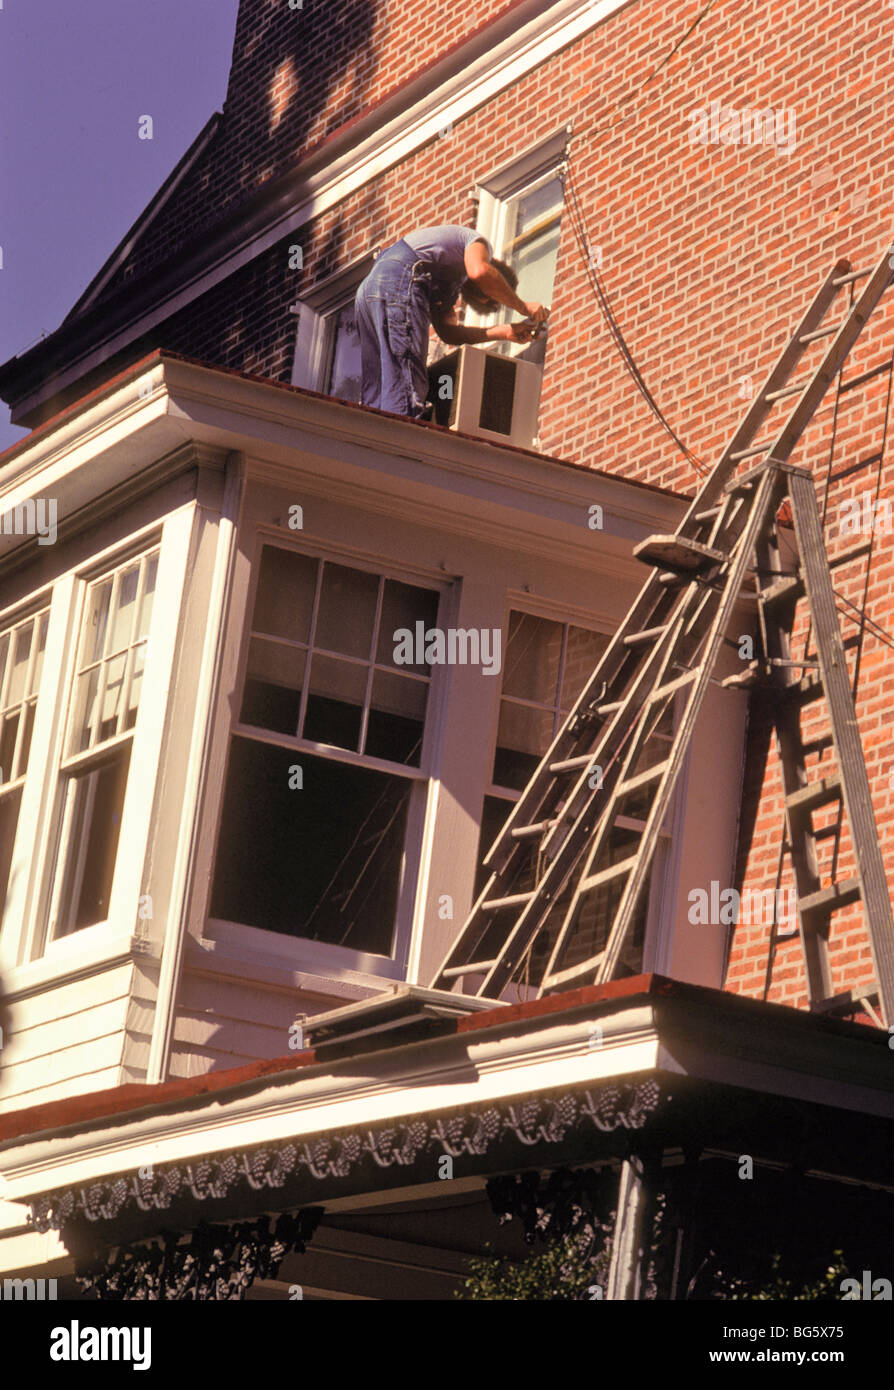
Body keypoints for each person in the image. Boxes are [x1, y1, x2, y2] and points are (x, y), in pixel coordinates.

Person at [354, 225, 549, 417]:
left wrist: (505, 332)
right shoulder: (477, 243)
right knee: (407, 382)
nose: (484, 297)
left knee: (379, 389)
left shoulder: (446, 283)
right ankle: (399, 438)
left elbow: (448, 333)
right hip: (397, 278)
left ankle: (374, 437)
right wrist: (523, 307)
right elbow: (480, 272)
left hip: (368, 290)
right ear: (496, 275)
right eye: (492, 293)